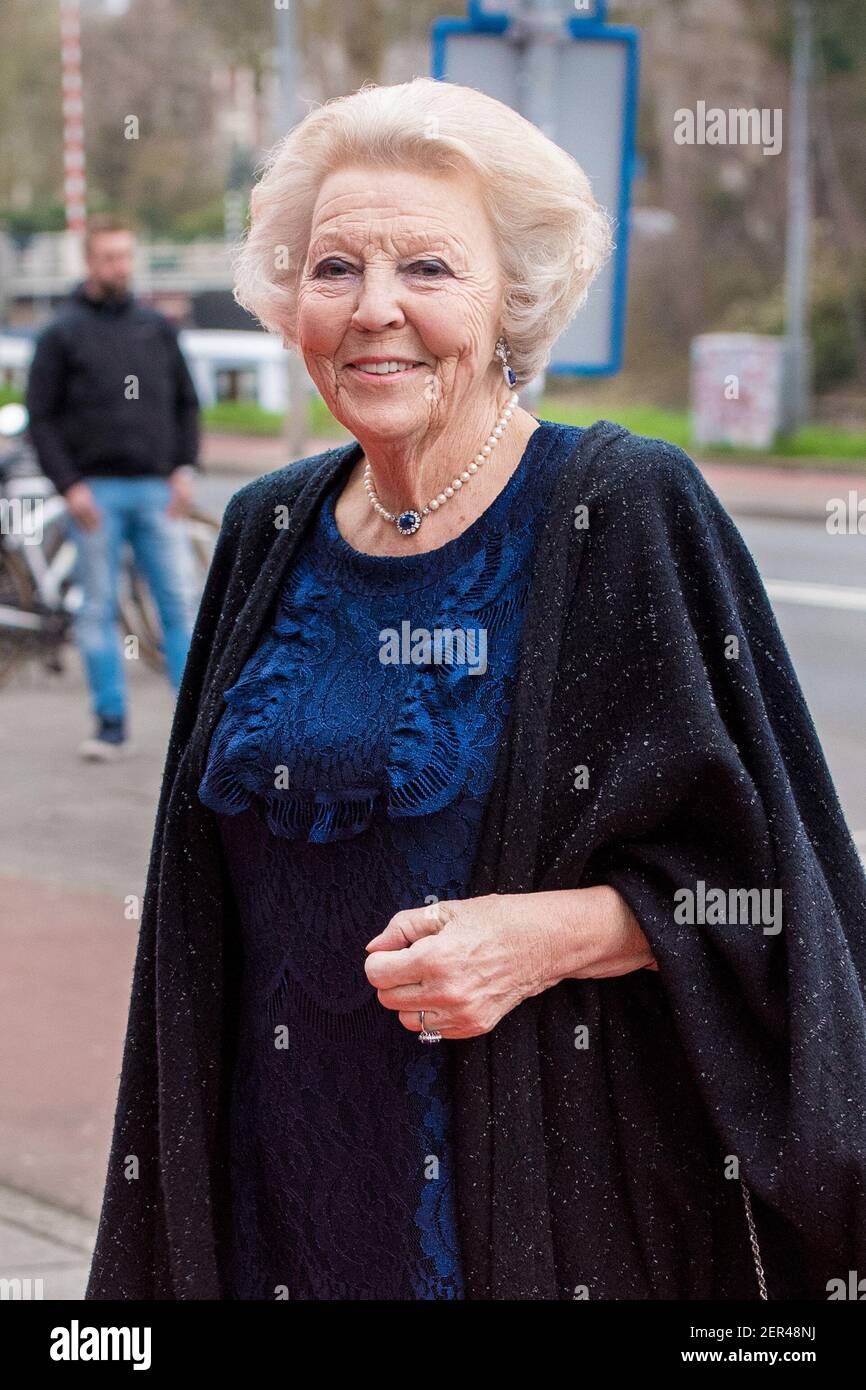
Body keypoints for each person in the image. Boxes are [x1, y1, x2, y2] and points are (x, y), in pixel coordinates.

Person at [85, 78, 866, 1301]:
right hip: (273, 1216)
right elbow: (196, 933)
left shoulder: (623, 511)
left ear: (514, 298)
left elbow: (782, 897)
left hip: (537, 1223)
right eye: (332, 267)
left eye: (430, 270)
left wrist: (543, 934)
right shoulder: (264, 527)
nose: (372, 310)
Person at [25, 212, 202, 760]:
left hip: (157, 491)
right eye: (108, 257)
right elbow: (42, 415)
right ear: (89, 261)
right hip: (94, 494)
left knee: (179, 606)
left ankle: (193, 729)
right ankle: (109, 723)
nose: (118, 266)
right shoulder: (62, 332)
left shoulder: (156, 328)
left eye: (126, 255)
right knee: (96, 610)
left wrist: (186, 468)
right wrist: (69, 485)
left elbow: (186, 402)